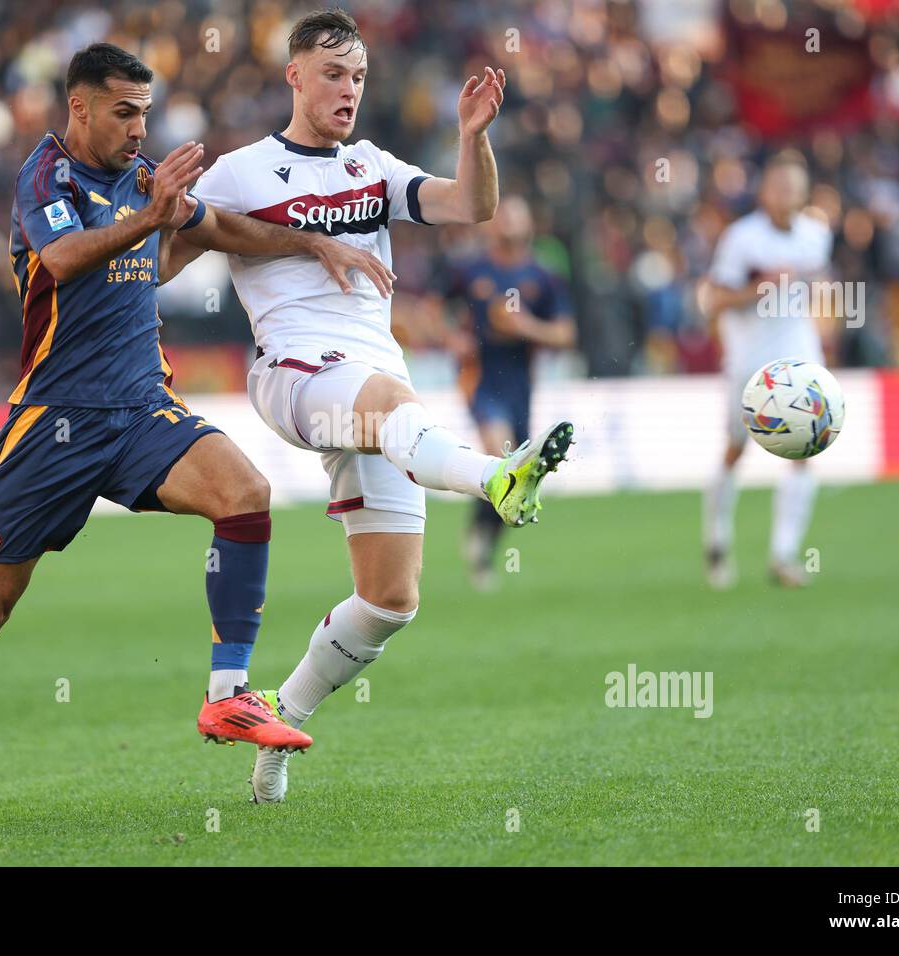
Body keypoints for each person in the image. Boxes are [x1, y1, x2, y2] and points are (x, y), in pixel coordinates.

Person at [0, 42, 396, 829]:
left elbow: (218, 227)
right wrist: (152, 217)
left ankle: (228, 696)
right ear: (78, 108)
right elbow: (62, 257)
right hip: (56, 421)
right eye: (122, 113)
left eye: (144, 113)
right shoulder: (47, 175)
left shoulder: (150, 183)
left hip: (142, 407)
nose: (137, 129)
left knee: (245, 493)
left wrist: (310, 242)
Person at [166, 9, 574, 804]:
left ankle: (280, 720)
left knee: (391, 601)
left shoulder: (373, 167)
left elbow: (470, 208)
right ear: (295, 76)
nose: (348, 88)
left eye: (357, 76)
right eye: (332, 74)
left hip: (375, 384)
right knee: (391, 401)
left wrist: (472, 134)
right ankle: (497, 476)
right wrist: (161, 219)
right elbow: (162, 257)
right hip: (295, 375)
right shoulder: (241, 171)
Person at [701, 150, 833, 590]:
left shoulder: (816, 235)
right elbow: (713, 300)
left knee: (806, 449)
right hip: (750, 363)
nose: (787, 195)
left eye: (795, 187)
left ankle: (783, 554)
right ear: (765, 191)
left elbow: (822, 289)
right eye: (780, 187)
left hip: (799, 357)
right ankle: (717, 540)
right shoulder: (742, 239)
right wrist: (757, 290)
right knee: (735, 450)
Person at [445, 196, 577, 590]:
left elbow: (566, 334)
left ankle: (481, 537)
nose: (508, 222)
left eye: (516, 215)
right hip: (481, 378)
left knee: (517, 471)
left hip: (521, 382)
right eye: (502, 216)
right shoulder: (472, 271)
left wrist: (526, 327)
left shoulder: (544, 275)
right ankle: (480, 547)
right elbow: (434, 308)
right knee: (497, 448)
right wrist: (451, 337)